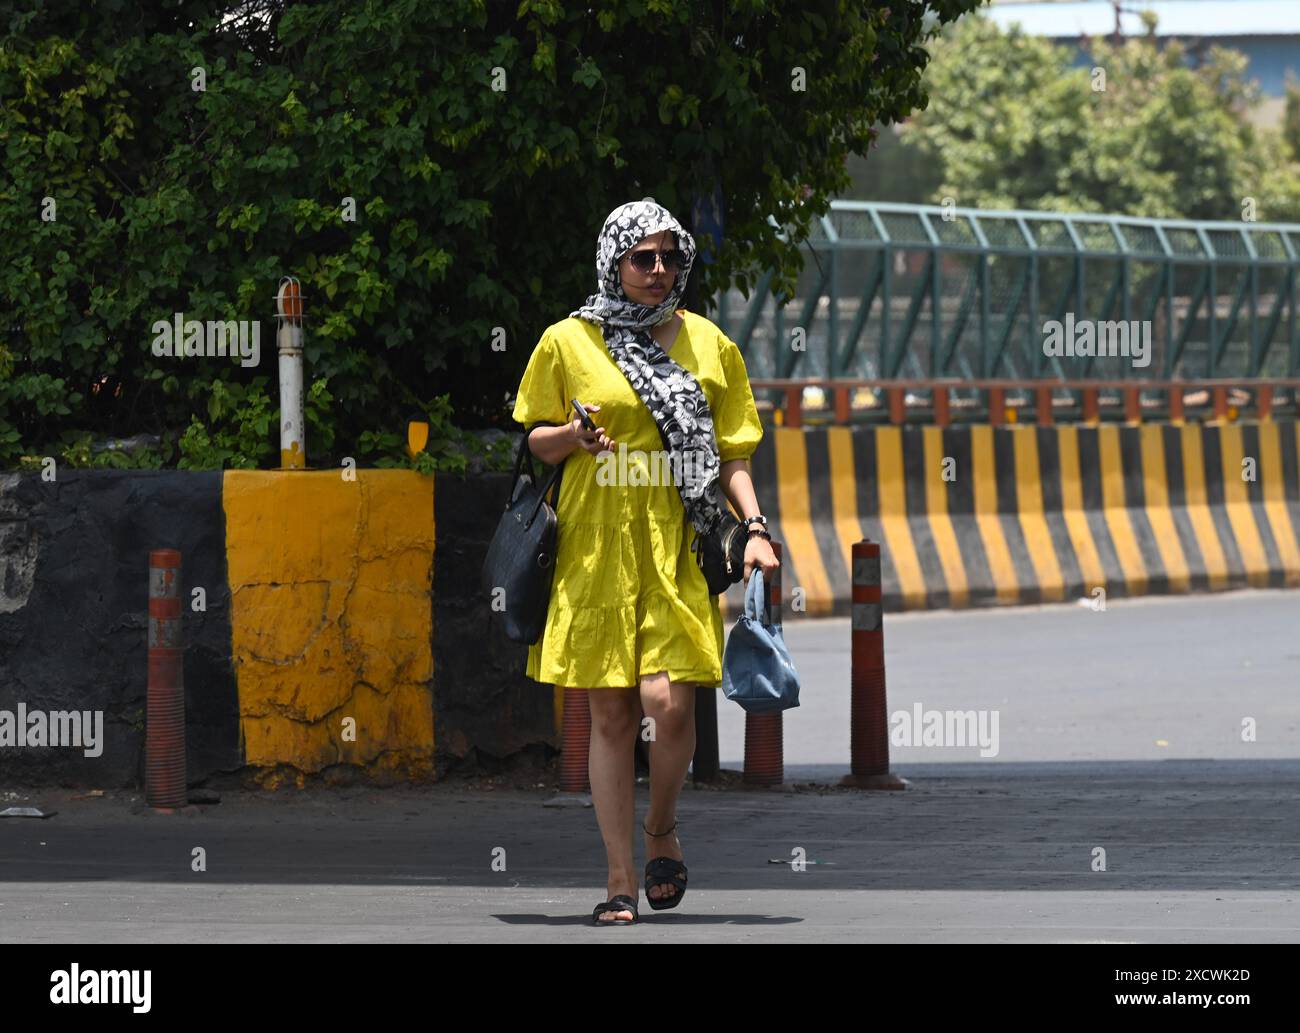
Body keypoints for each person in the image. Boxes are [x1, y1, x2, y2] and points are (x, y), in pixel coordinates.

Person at [512, 199, 779, 926]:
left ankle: (662, 826)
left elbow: (732, 453)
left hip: (674, 541)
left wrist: (754, 526)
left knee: (668, 703)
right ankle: (620, 877)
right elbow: (533, 439)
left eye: (668, 257)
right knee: (609, 712)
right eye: (643, 258)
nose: (658, 271)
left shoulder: (710, 345)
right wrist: (571, 434)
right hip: (595, 544)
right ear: (613, 262)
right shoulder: (568, 341)